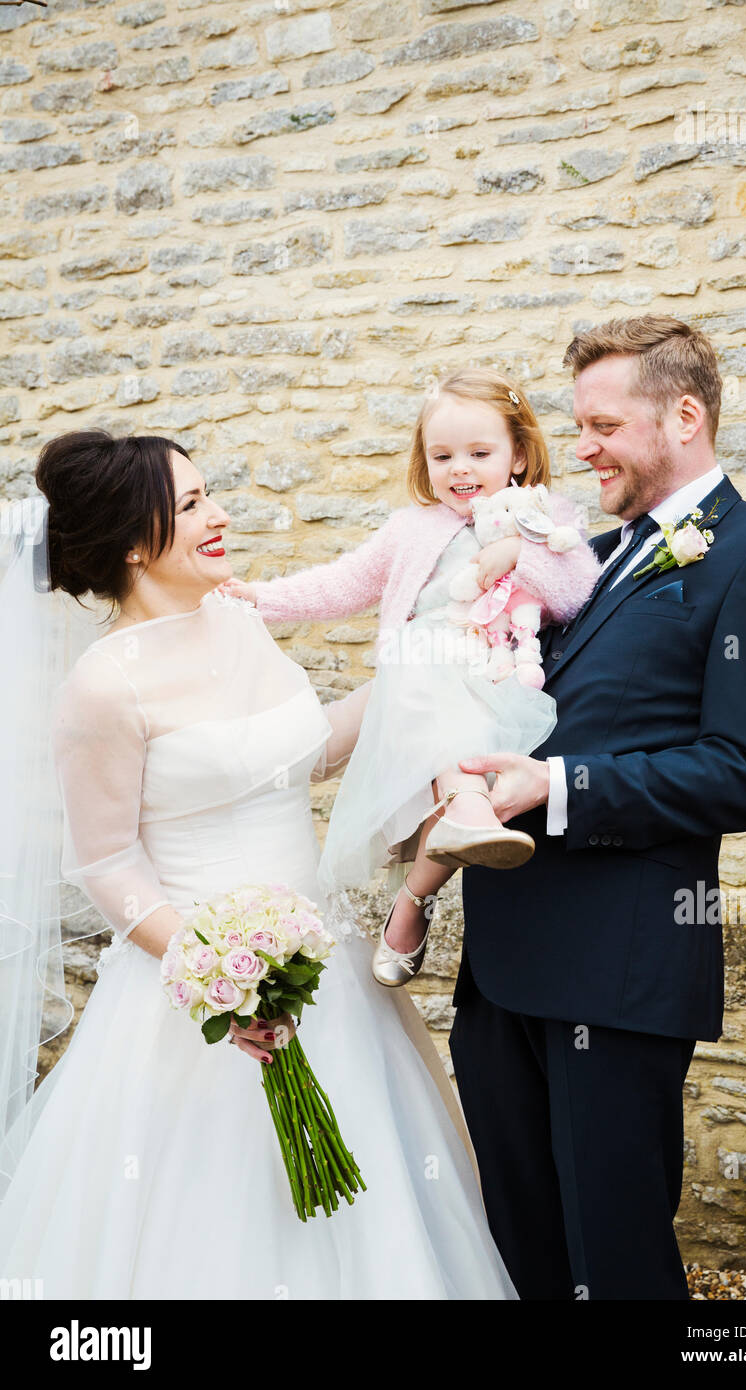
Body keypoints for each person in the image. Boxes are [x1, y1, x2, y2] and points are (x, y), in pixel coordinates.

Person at [0, 429, 518, 1300]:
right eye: (193, 503)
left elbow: (303, 754)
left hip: (331, 975)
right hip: (198, 997)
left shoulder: (237, 621)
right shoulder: (102, 686)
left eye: (212, 495)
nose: (221, 514)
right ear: (134, 541)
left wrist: (416, 669)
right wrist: (216, 977)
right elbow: (105, 862)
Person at [447, 314, 746, 1300]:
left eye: (602, 425)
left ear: (685, 416)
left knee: (613, 1265)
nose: (579, 448)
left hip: (614, 973)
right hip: (500, 971)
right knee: (522, 1252)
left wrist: (560, 785)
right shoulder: (593, 554)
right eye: (577, 424)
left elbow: (743, 770)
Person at [222, 368, 600, 988]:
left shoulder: (544, 516)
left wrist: (519, 555)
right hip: (421, 675)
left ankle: (414, 901)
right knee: (435, 696)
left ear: (520, 455)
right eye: (442, 455)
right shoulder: (412, 528)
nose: (460, 469)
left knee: (453, 781)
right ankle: (468, 811)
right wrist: (260, 597)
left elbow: (578, 591)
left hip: (500, 676)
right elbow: (343, 583)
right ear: (424, 461)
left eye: (480, 453)